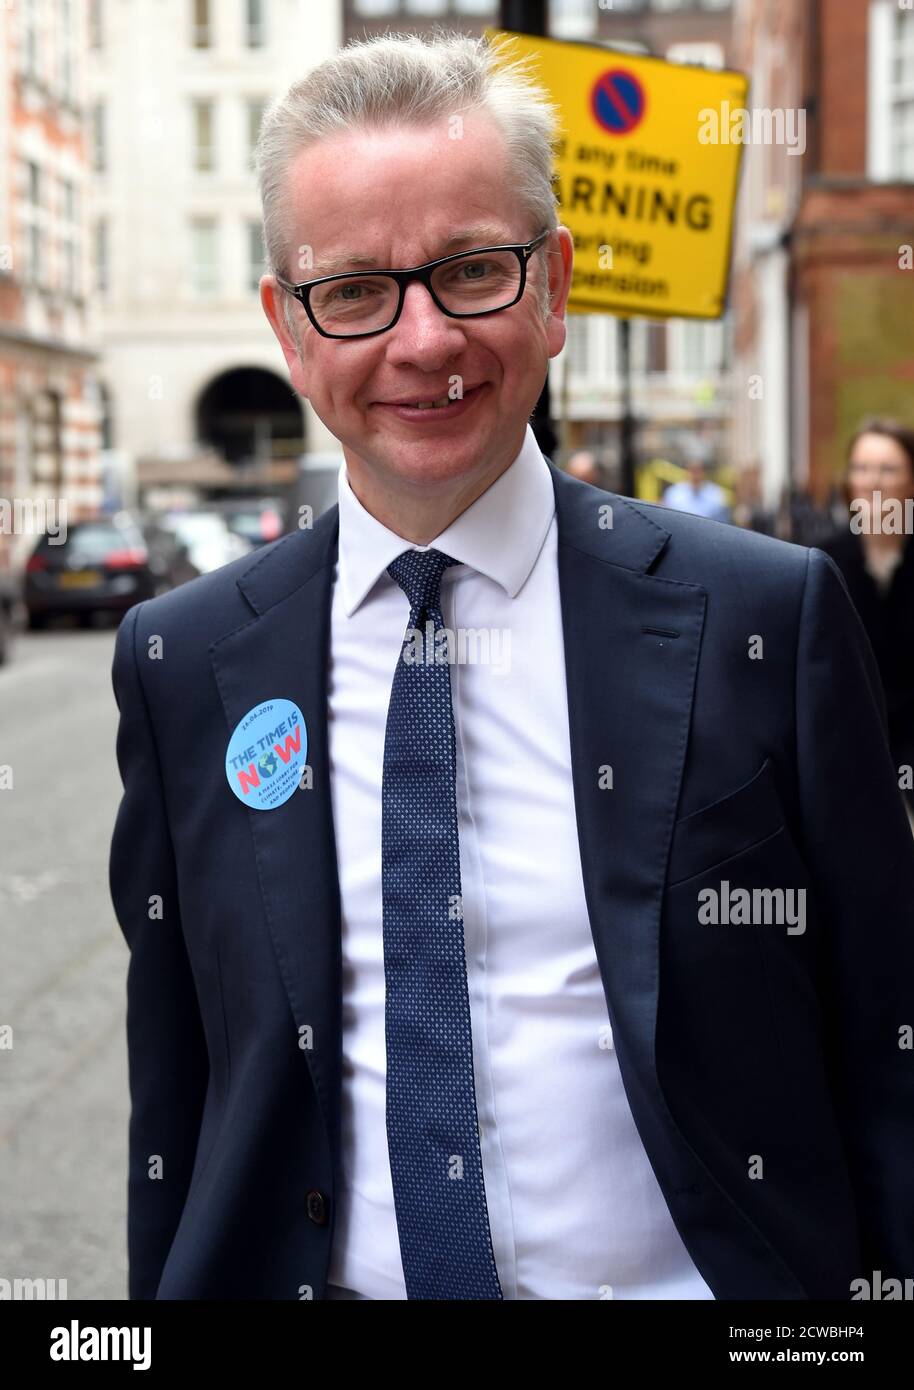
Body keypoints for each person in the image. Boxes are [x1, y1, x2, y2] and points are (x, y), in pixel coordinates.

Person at [109, 31, 914, 1302]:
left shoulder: (767, 616)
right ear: (288, 326)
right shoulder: (183, 659)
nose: (424, 340)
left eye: (473, 270)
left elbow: (882, 1038)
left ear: (553, 286)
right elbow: (183, 1087)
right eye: (358, 290)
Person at [820, 419, 914, 813]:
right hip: (848, 763)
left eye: (887, 469)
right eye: (861, 468)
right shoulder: (823, 563)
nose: (872, 481)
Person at [662, 459, 732, 523]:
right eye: (692, 471)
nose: (695, 475)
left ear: (704, 472)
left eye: (698, 471)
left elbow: (722, 521)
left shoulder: (717, 494)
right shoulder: (674, 492)